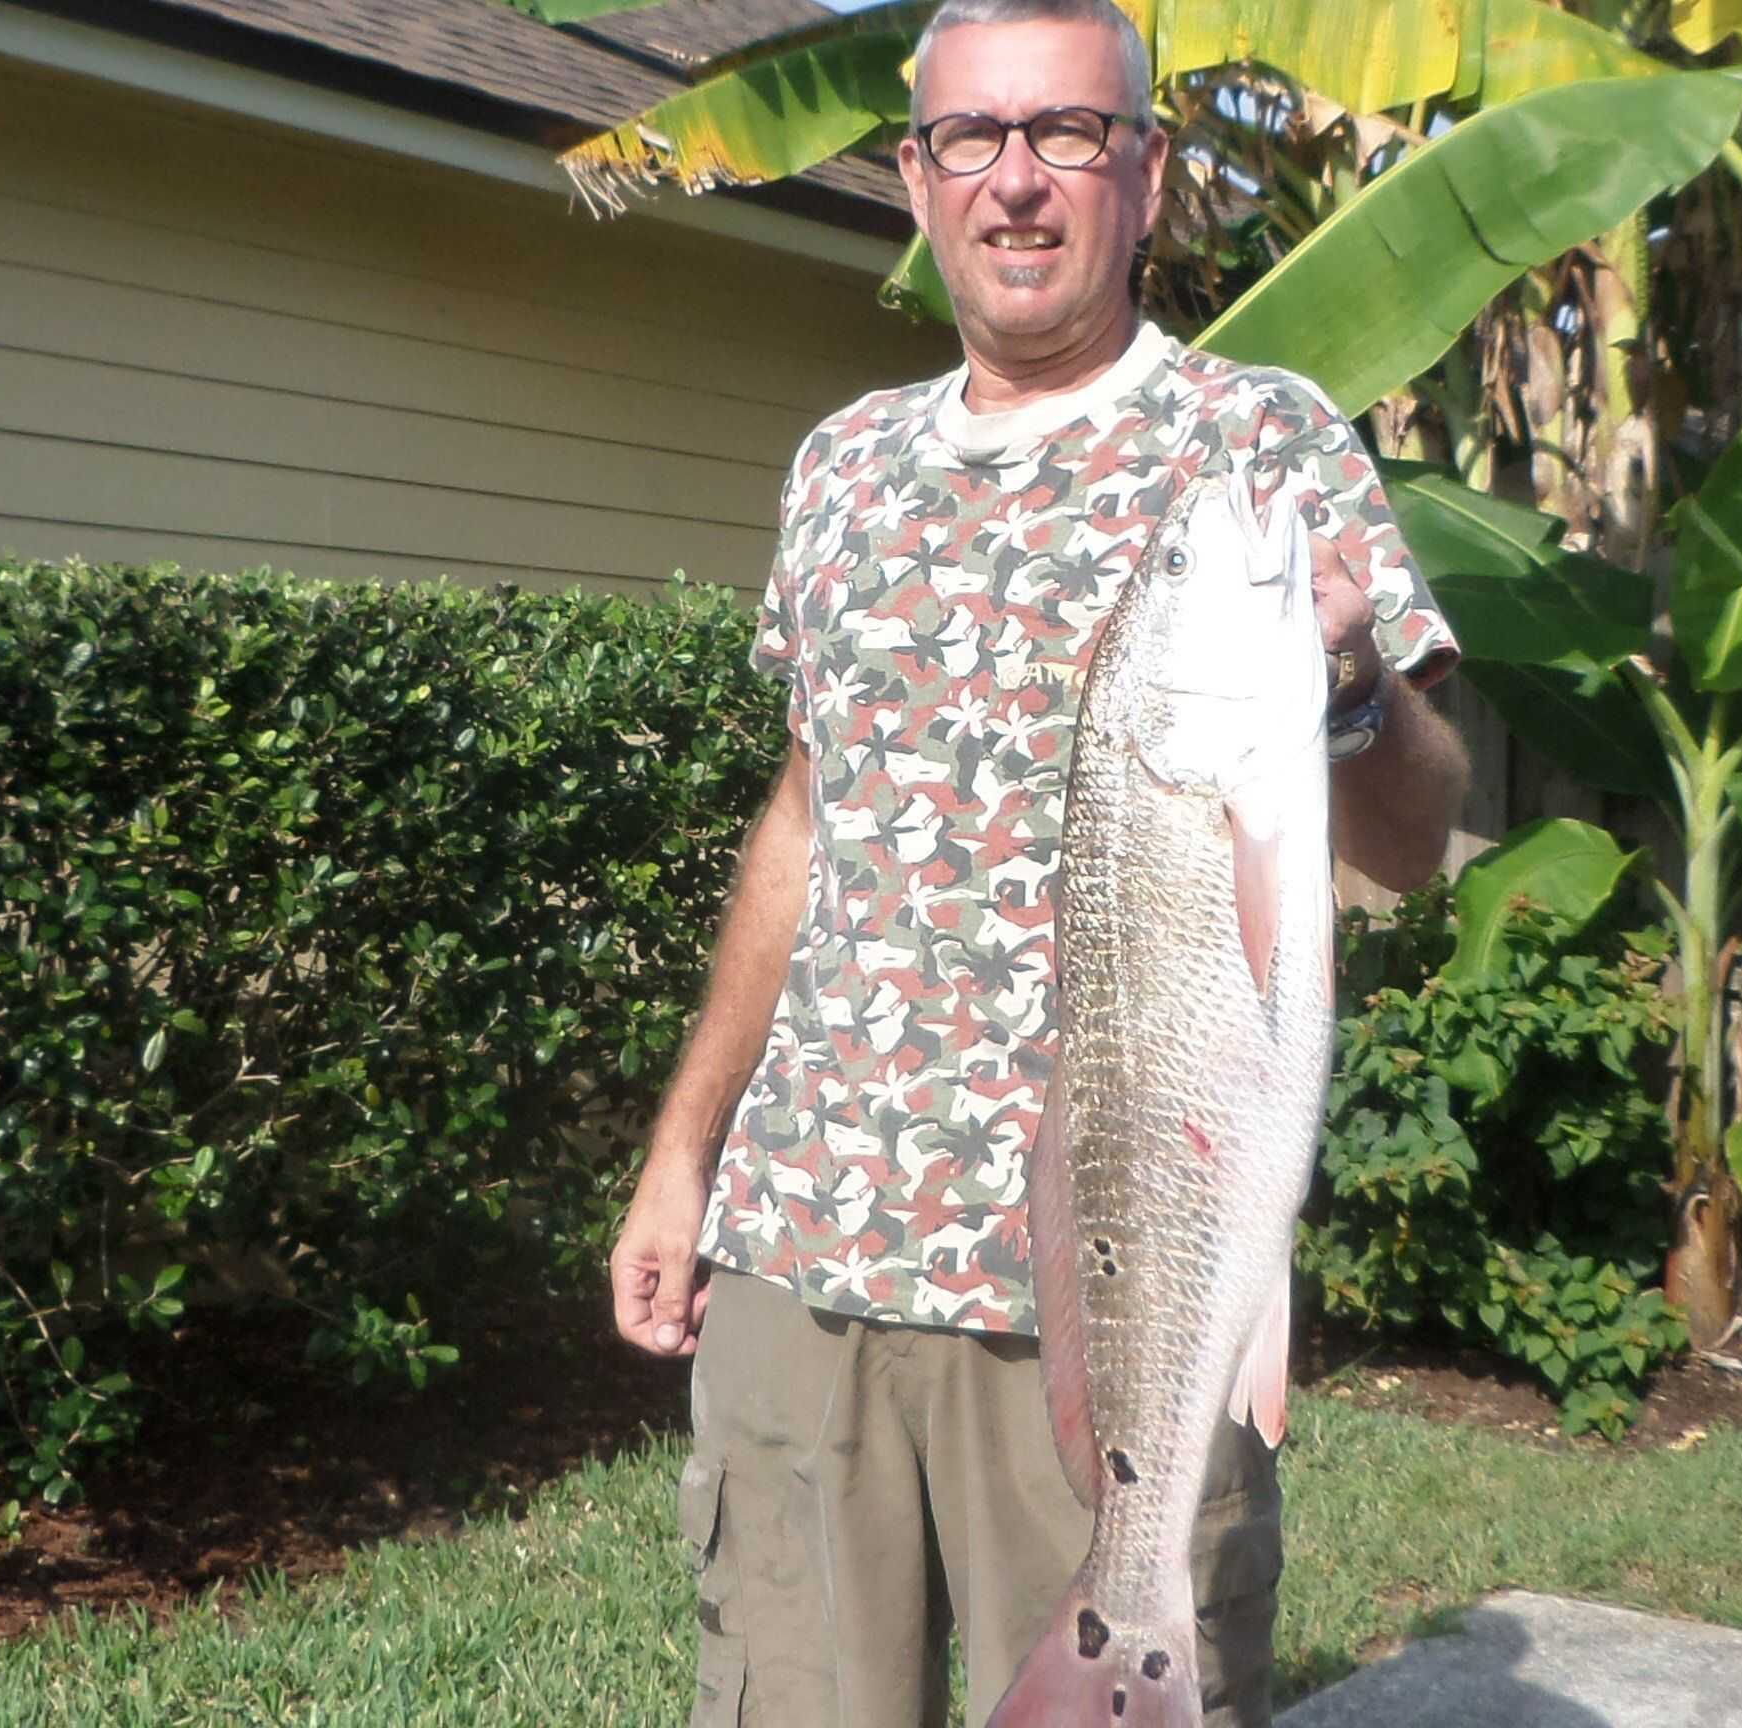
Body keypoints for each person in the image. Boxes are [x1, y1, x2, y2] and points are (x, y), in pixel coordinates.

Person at [609, 1, 1469, 1722]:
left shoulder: (1261, 445)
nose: (1017, 183)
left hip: (1103, 1297)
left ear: (1143, 178)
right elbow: (805, 815)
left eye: (1068, 134)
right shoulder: (842, 464)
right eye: (970, 141)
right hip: (803, 1256)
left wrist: (1355, 690)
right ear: (917, 181)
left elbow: (1418, 831)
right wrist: (683, 1146)